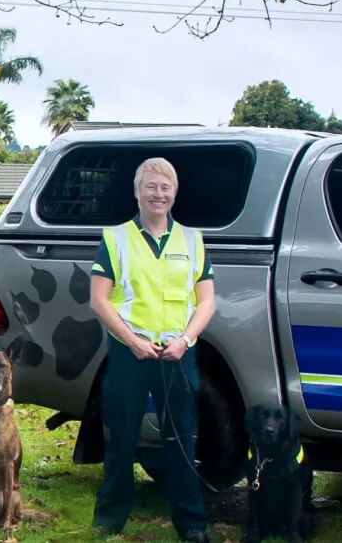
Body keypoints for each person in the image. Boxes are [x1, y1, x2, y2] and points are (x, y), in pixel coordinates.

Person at [89, 157, 215, 543]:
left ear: (174, 193)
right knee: (122, 440)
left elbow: (206, 301)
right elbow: (99, 299)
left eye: (165, 187)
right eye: (151, 187)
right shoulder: (115, 239)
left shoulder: (192, 240)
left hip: (178, 353)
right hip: (131, 352)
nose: (158, 194)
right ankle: (110, 520)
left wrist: (186, 340)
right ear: (137, 192)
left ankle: (191, 523)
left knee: (182, 440)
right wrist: (133, 340)